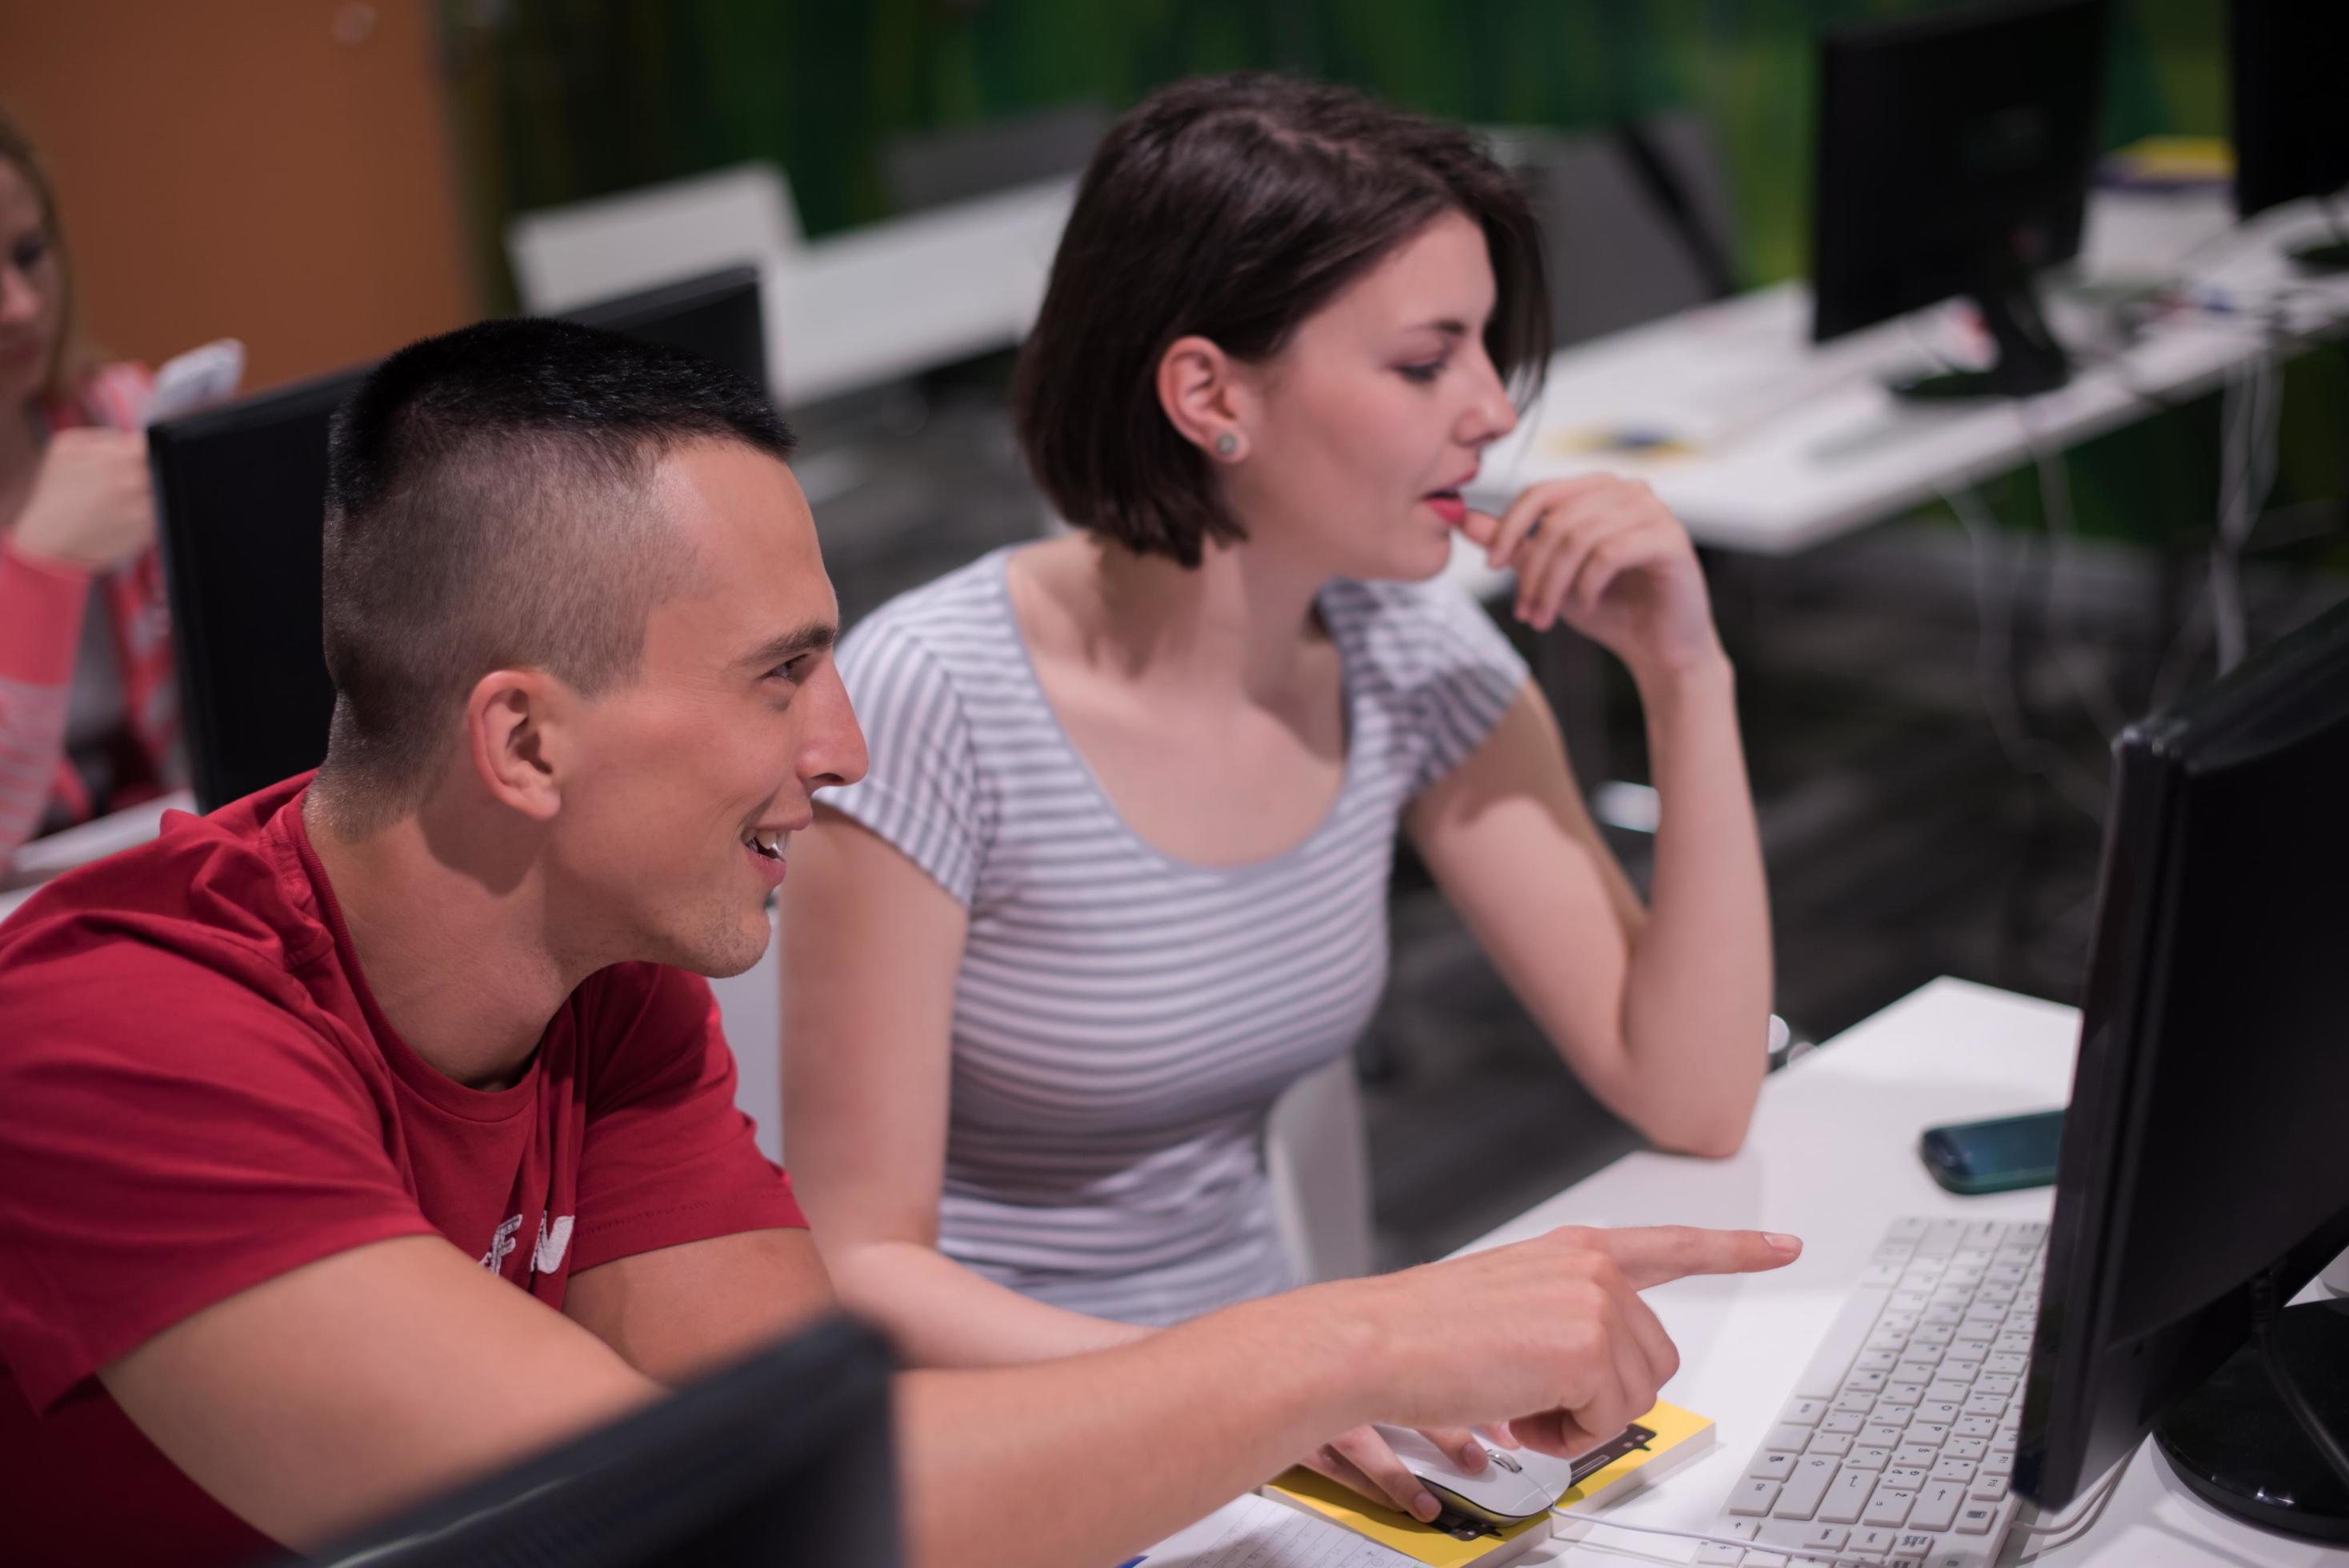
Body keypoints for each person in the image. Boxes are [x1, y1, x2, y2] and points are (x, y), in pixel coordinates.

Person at [0, 317, 1797, 1568]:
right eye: (784, 671)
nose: (844, 743)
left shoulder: (610, 976)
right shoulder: (121, 1040)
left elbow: (810, 1464)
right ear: (525, 743)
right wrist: (1348, 1347)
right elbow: (681, 1517)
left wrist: (1296, 1382)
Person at [779, 72, 1775, 1518]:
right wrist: (1272, 1384)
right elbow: (854, 1261)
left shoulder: (1410, 649)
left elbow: (1691, 1087)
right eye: (1428, 362)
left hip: (1307, 1421)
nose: (1493, 410)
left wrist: (1689, 679)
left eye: (1487, 351)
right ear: (1209, 394)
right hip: (1024, 1444)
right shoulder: (937, 694)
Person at [0, 109, 179, 870]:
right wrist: (36, 570)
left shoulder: (120, 414)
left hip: (160, 851)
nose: (20, 307)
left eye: (30, 254)